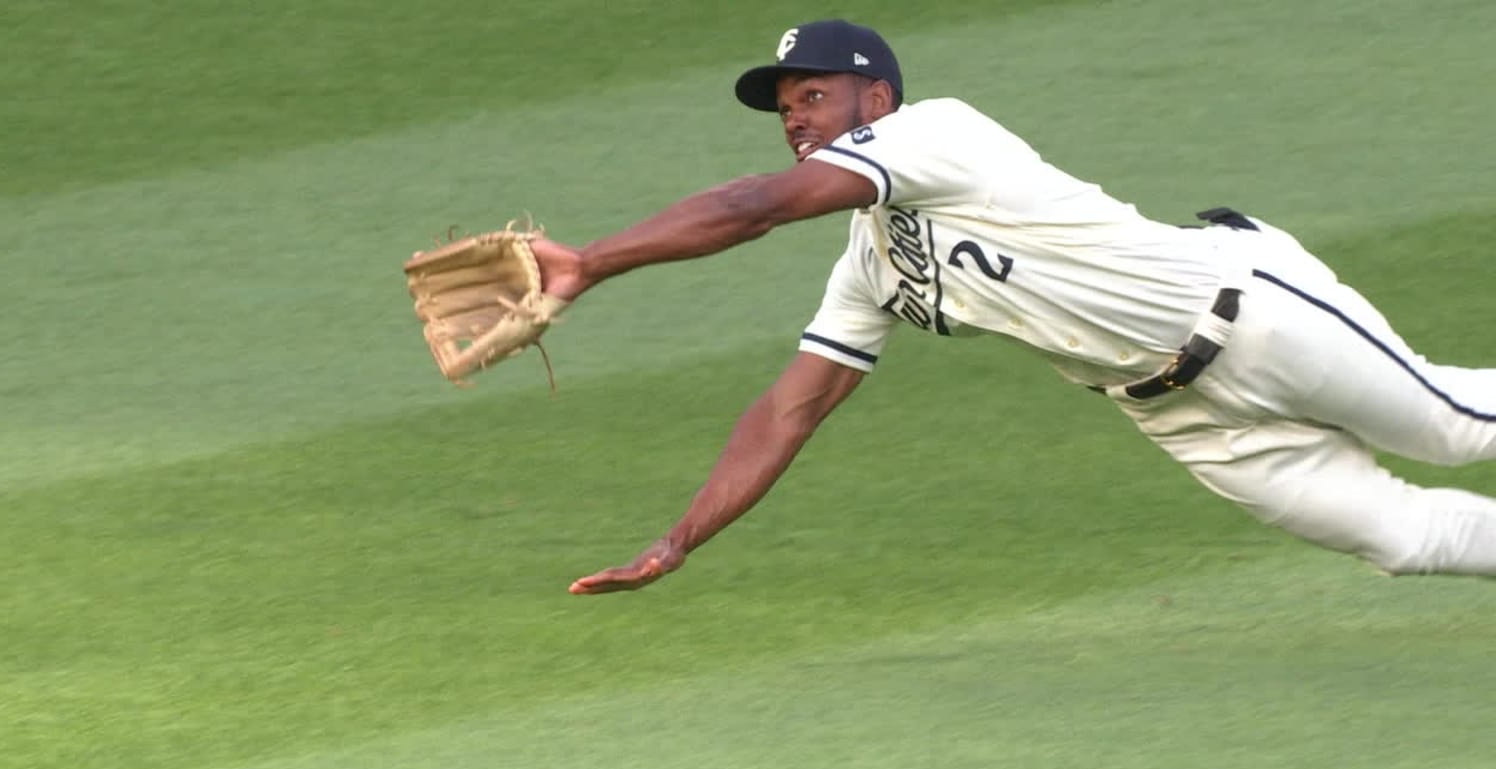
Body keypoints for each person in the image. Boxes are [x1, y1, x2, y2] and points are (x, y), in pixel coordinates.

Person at [531, 19, 1496, 594]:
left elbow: (750, 208)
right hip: (1177, 414)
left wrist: (590, 263)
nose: (795, 117)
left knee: (1455, 427)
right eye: (785, 106)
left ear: (877, 99)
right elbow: (792, 407)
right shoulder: (870, 264)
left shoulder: (938, 134)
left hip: (1249, 313)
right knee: (1401, 539)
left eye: (813, 96)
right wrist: (678, 538)